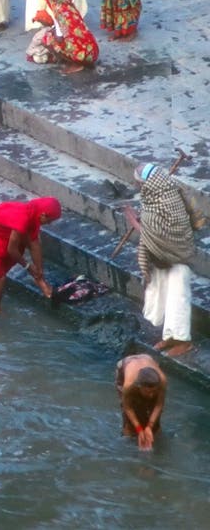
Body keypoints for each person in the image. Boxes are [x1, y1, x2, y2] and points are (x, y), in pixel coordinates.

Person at [126, 162, 203, 357]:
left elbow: (156, 233)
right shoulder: (157, 195)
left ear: (145, 183)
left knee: (178, 299)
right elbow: (154, 230)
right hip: (162, 258)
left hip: (178, 257)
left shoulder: (165, 200)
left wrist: (135, 222)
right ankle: (171, 337)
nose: (137, 187)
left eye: (138, 184)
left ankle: (184, 342)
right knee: (166, 296)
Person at [0, 197, 62, 312]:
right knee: (0, 277)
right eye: (50, 220)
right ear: (43, 215)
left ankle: (41, 284)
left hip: (5, 232)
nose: (49, 223)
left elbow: (34, 245)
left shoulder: (33, 215)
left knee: (27, 244)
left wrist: (40, 270)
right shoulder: (22, 219)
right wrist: (28, 267)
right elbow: (12, 250)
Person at [25, 0, 99, 74]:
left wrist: (50, 29)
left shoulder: (58, 12)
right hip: (92, 51)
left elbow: (59, 38)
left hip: (82, 56)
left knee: (46, 39)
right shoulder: (70, 6)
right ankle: (73, 60)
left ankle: (75, 64)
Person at [115, 353, 167, 450]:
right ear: (139, 387)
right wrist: (139, 428)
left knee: (155, 422)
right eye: (148, 392)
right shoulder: (129, 386)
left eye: (154, 391)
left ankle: (155, 442)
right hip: (125, 366)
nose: (151, 395)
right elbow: (128, 407)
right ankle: (128, 451)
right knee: (128, 423)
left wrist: (149, 426)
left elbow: (159, 405)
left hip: (147, 359)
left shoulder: (162, 380)